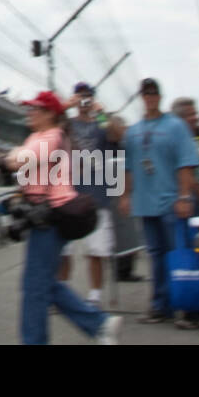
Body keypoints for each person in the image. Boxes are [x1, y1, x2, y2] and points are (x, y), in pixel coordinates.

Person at [0, 90, 121, 345]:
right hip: (44, 215)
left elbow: (20, 160)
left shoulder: (52, 136)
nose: (29, 112)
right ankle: (98, 323)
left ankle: (40, 339)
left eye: (35, 109)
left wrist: (10, 156)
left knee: (35, 287)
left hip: (50, 216)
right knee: (42, 283)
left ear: (49, 114)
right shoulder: (39, 135)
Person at [117, 77, 199, 328]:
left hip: (171, 201)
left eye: (154, 93)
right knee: (156, 256)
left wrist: (185, 196)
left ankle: (186, 308)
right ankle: (160, 305)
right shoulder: (133, 132)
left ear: (159, 96)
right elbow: (128, 167)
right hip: (145, 202)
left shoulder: (175, 126)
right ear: (141, 97)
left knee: (180, 254)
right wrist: (124, 195)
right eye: (146, 93)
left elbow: (185, 163)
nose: (150, 97)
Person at [59, 82, 125, 305]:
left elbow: (117, 136)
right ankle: (62, 293)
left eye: (88, 97)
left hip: (97, 196)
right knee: (63, 250)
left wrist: (102, 112)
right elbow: (49, 126)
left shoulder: (102, 123)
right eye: (80, 96)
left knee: (96, 250)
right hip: (68, 194)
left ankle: (95, 295)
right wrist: (66, 106)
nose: (84, 101)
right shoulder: (67, 124)